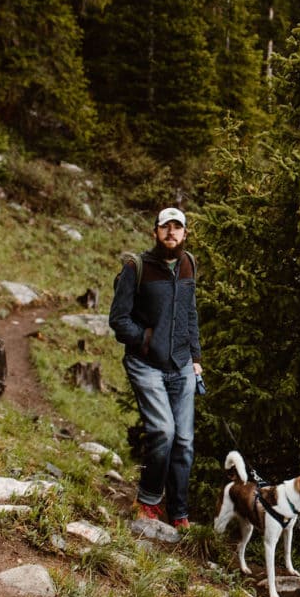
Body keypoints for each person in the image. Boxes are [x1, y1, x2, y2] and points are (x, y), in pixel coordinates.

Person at [109, 205, 203, 528]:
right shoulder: (136, 268)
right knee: (163, 431)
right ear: (155, 232)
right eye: (166, 227)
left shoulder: (189, 264)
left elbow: (190, 314)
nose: (171, 233)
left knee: (185, 441)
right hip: (145, 363)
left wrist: (196, 358)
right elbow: (118, 320)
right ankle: (148, 500)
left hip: (182, 364)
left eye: (177, 227)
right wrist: (145, 339)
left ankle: (178, 513)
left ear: (185, 233)